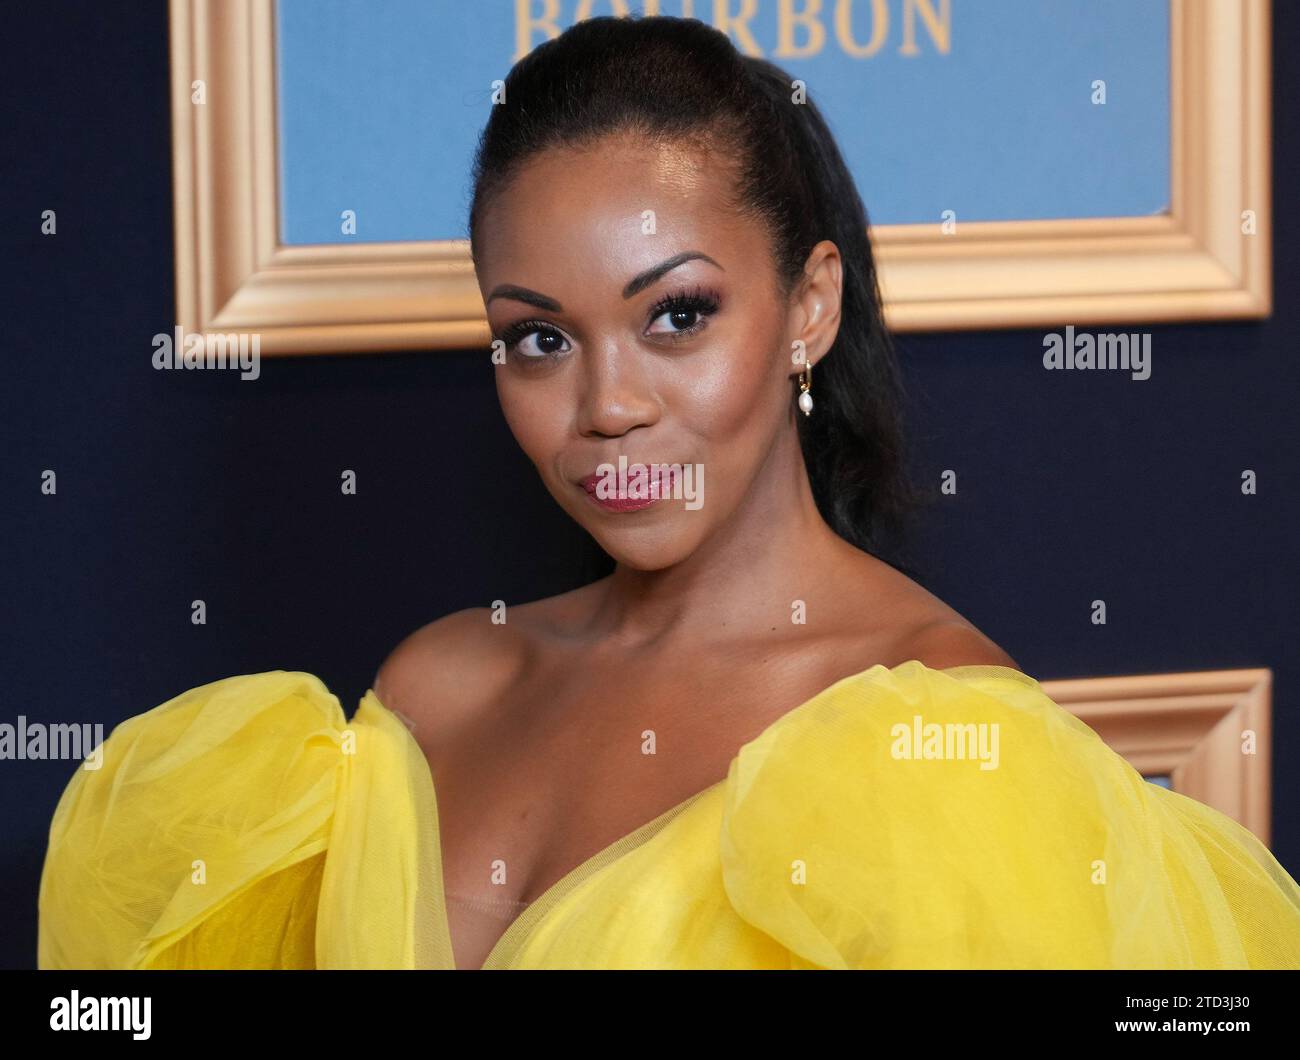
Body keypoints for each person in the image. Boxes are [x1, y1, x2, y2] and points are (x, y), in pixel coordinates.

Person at [38, 15, 1300, 970]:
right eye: (538, 337)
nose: (606, 406)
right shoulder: (428, 691)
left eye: (676, 315)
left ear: (809, 305)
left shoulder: (944, 754)